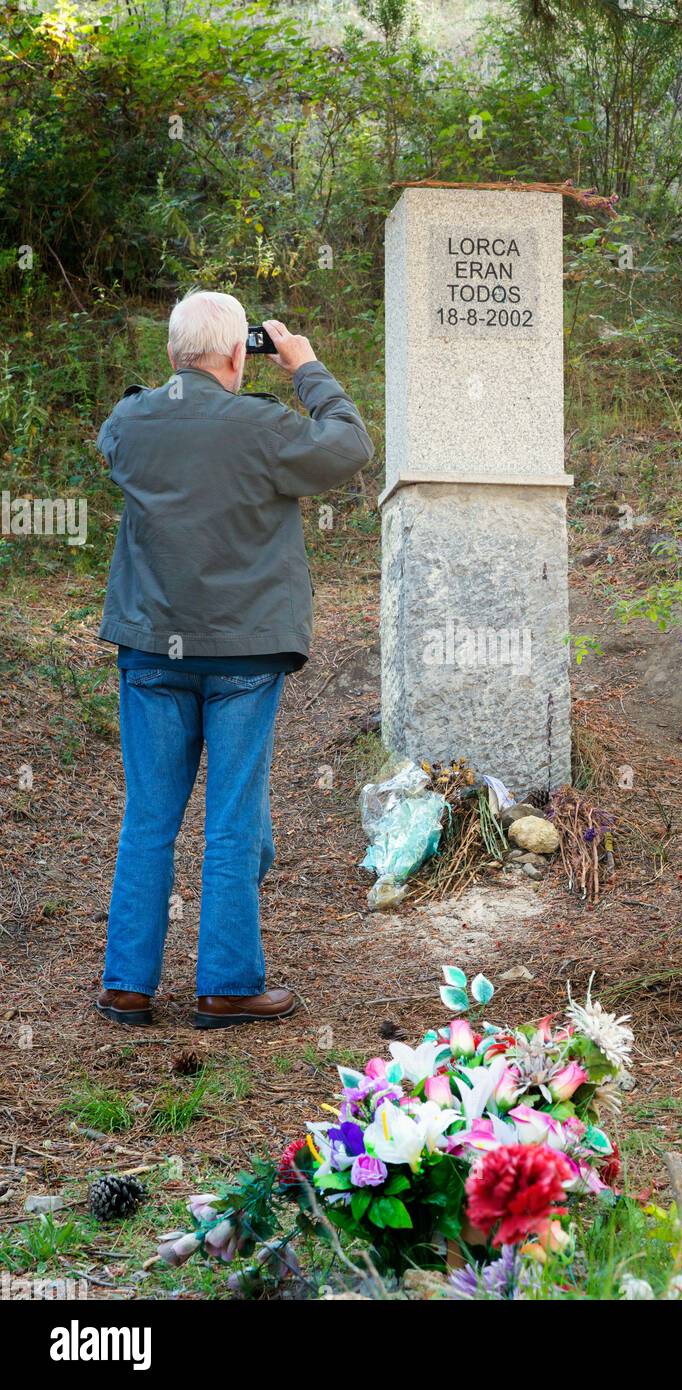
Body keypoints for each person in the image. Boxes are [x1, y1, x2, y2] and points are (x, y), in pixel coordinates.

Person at [94, 290, 373, 1028]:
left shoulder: (131, 420)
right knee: (232, 819)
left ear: (171, 355)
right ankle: (226, 984)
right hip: (244, 650)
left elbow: (123, 434)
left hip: (152, 649)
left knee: (149, 817)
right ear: (235, 355)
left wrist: (175, 385)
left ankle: (127, 983)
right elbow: (348, 446)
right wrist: (306, 367)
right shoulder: (263, 427)